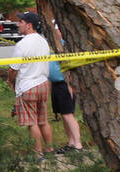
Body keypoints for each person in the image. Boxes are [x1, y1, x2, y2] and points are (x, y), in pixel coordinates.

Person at [5, 11, 54, 157]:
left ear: (29, 25)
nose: (18, 24)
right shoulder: (43, 41)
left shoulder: (22, 44)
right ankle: (50, 150)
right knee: (43, 121)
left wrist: (10, 80)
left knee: (32, 123)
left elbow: (13, 69)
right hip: (43, 84)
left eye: (21, 22)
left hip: (28, 86)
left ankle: (37, 153)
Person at [47, 58, 83, 152]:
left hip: (65, 84)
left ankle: (78, 144)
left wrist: (70, 85)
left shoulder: (61, 44)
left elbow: (70, 66)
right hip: (55, 84)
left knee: (68, 114)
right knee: (64, 115)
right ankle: (71, 143)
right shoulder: (48, 46)